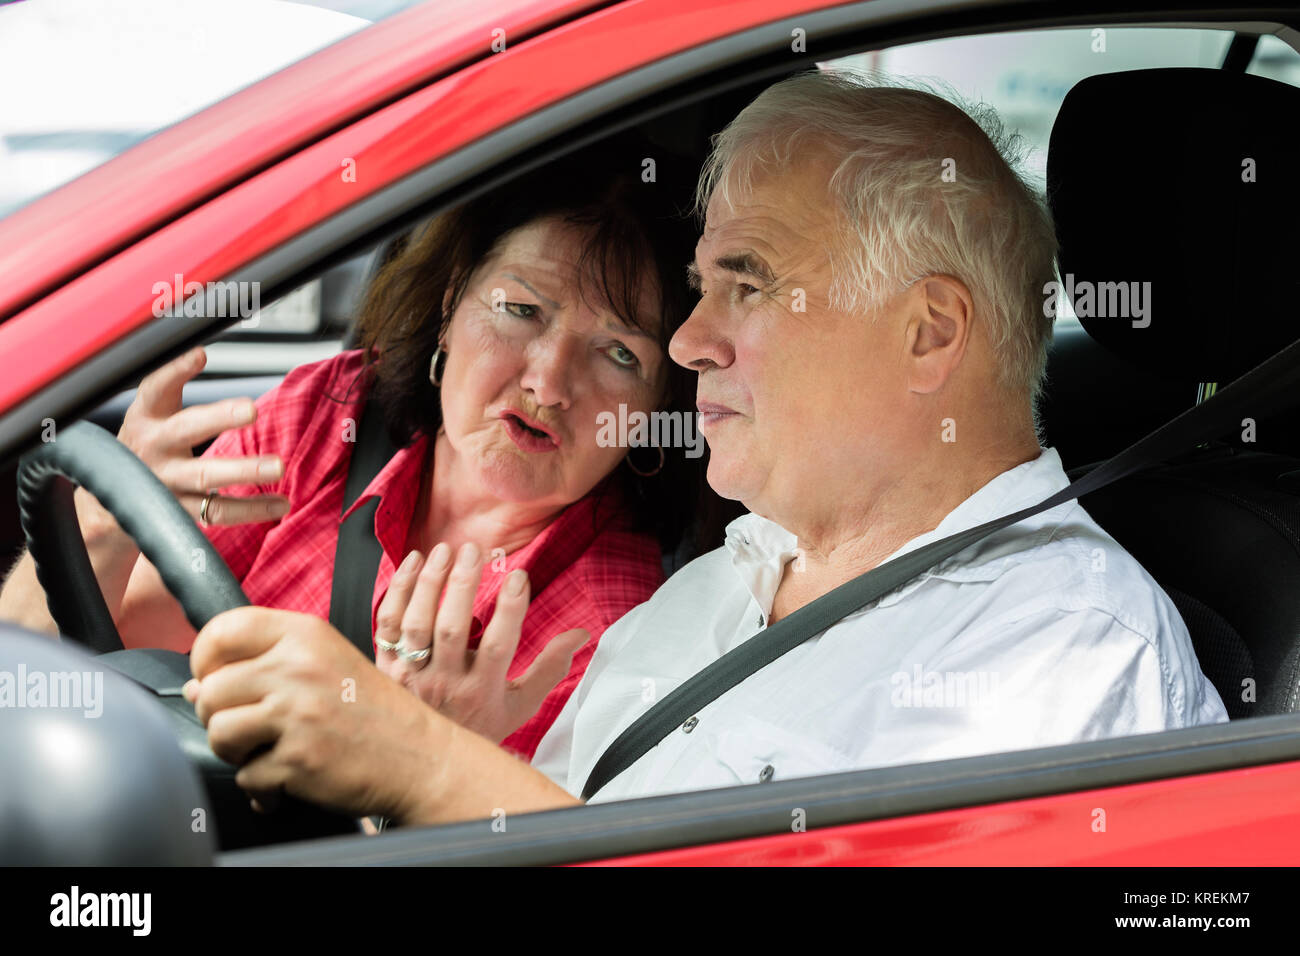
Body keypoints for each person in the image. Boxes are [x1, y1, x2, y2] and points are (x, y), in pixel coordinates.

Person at [181, 71, 1230, 824]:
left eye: (749, 281)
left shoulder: (1057, 654)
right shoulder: (716, 585)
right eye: (702, 286)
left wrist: (420, 763)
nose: (687, 341)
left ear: (928, 332)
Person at [0, 140, 717, 761]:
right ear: (448, 309)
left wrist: (425, 754)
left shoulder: (610, 627)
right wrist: (101, 523)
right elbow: (45, 670)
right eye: (520, 310)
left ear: (658, 406)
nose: (549, 382)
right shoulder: (326, 417)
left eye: (618, 354)